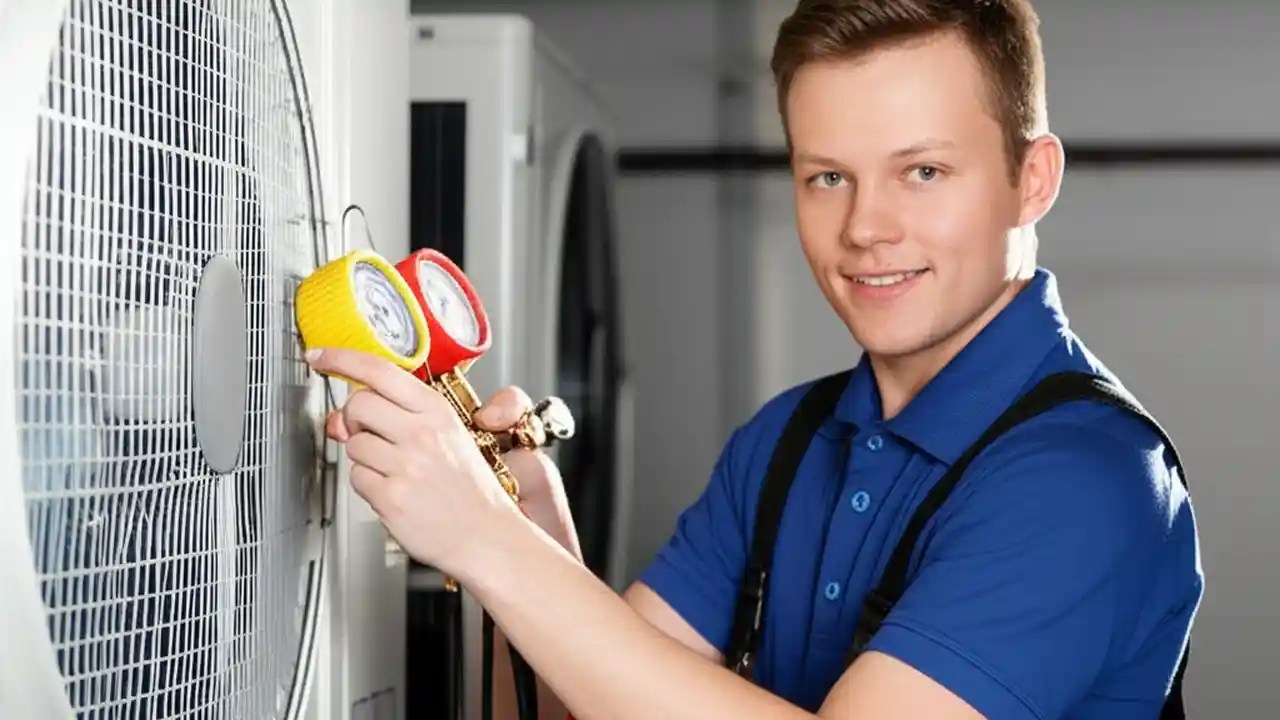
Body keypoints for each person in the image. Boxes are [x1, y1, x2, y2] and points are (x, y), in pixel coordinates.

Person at [307, 0, 1203, 717]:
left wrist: (488, 543)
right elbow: (582, 703)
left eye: (923, 172)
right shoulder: (787, 441)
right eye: (828, 177)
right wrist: (526, 523)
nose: (864, 228)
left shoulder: (1088, 477)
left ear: (1031, 179)